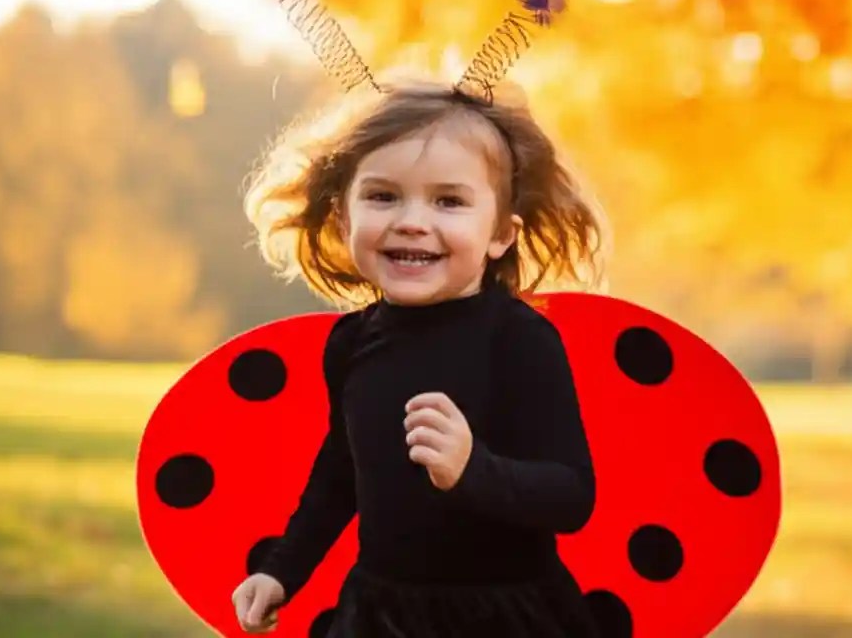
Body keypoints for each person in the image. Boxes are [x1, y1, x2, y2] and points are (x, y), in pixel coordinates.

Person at [230, 76, 609, 637]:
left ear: (500, 234)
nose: (411, 220)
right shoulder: (352, 343)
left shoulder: (519, 339)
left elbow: (571, 496)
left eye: (449, 201)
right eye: (383, 196)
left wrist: (471, 469)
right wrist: (282, 570)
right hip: (380, 614)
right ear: (343, 219)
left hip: (505, 617)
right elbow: (340, 476)